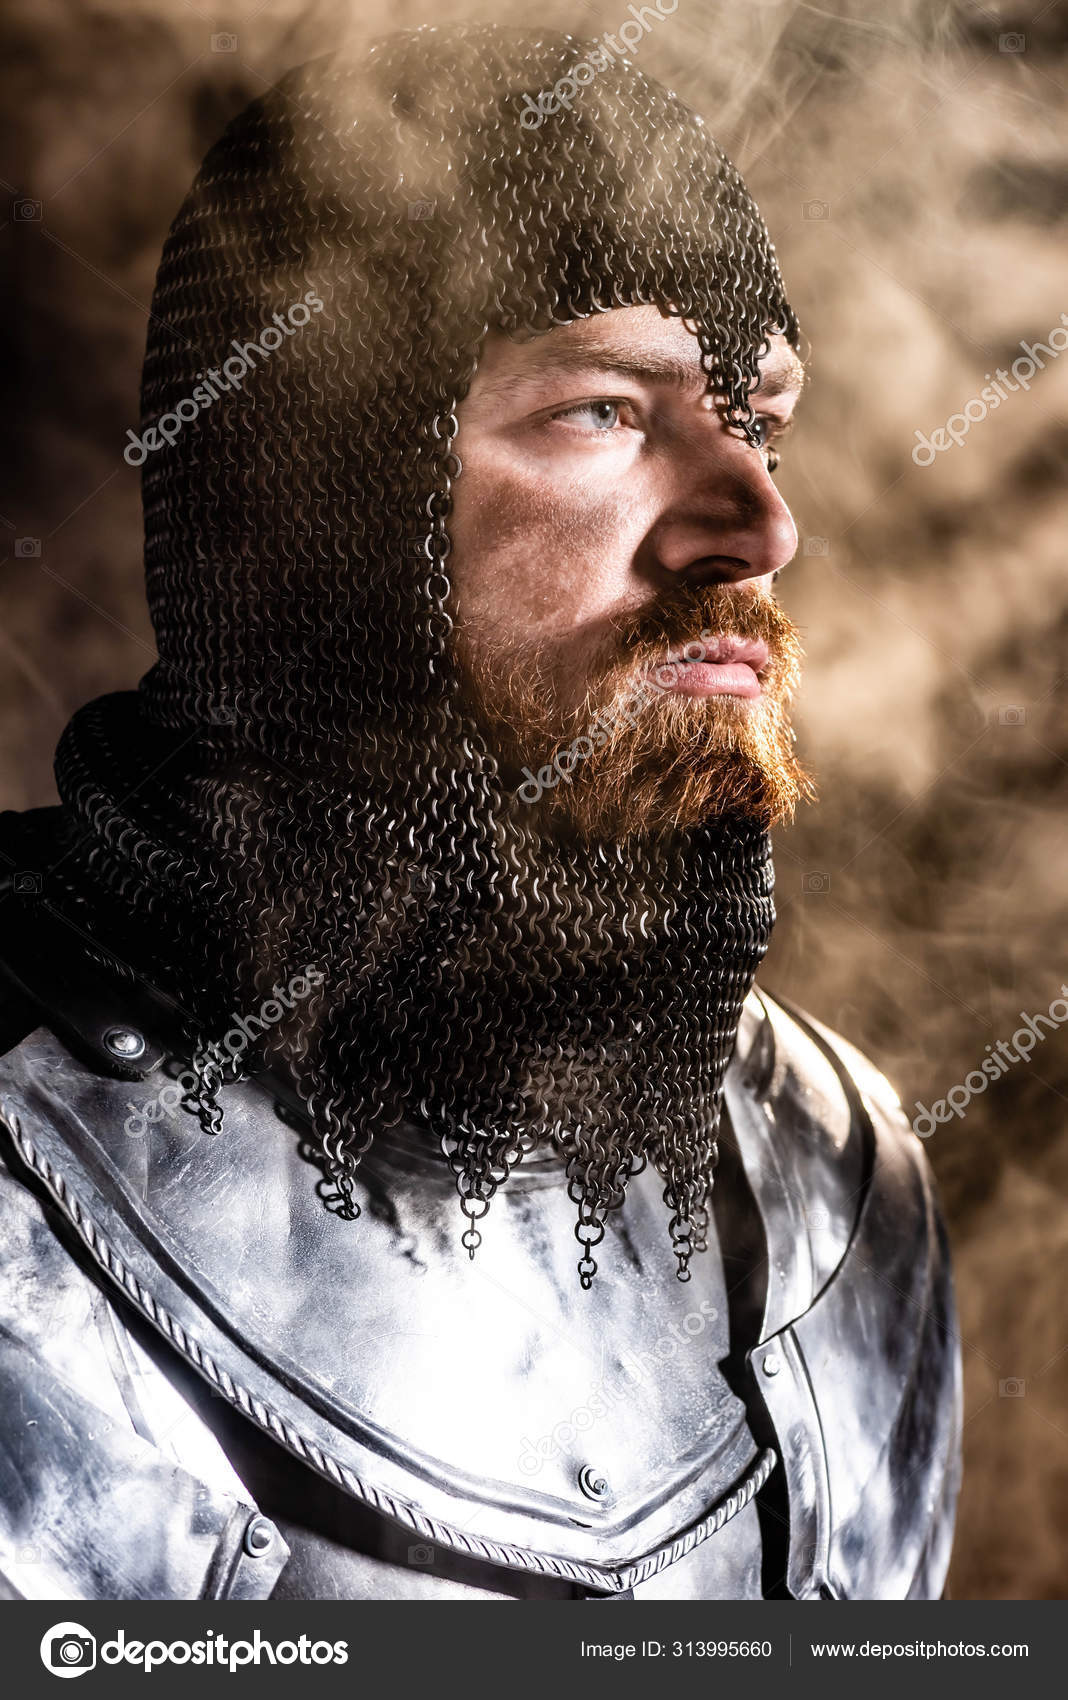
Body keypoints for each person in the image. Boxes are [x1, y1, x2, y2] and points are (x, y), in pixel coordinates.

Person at [0, 24, 960, 1601]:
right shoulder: (34, 1202)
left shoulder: (840, 1195)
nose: (758, 523)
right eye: (607, 412)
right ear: (311, 496)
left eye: (762, 422)